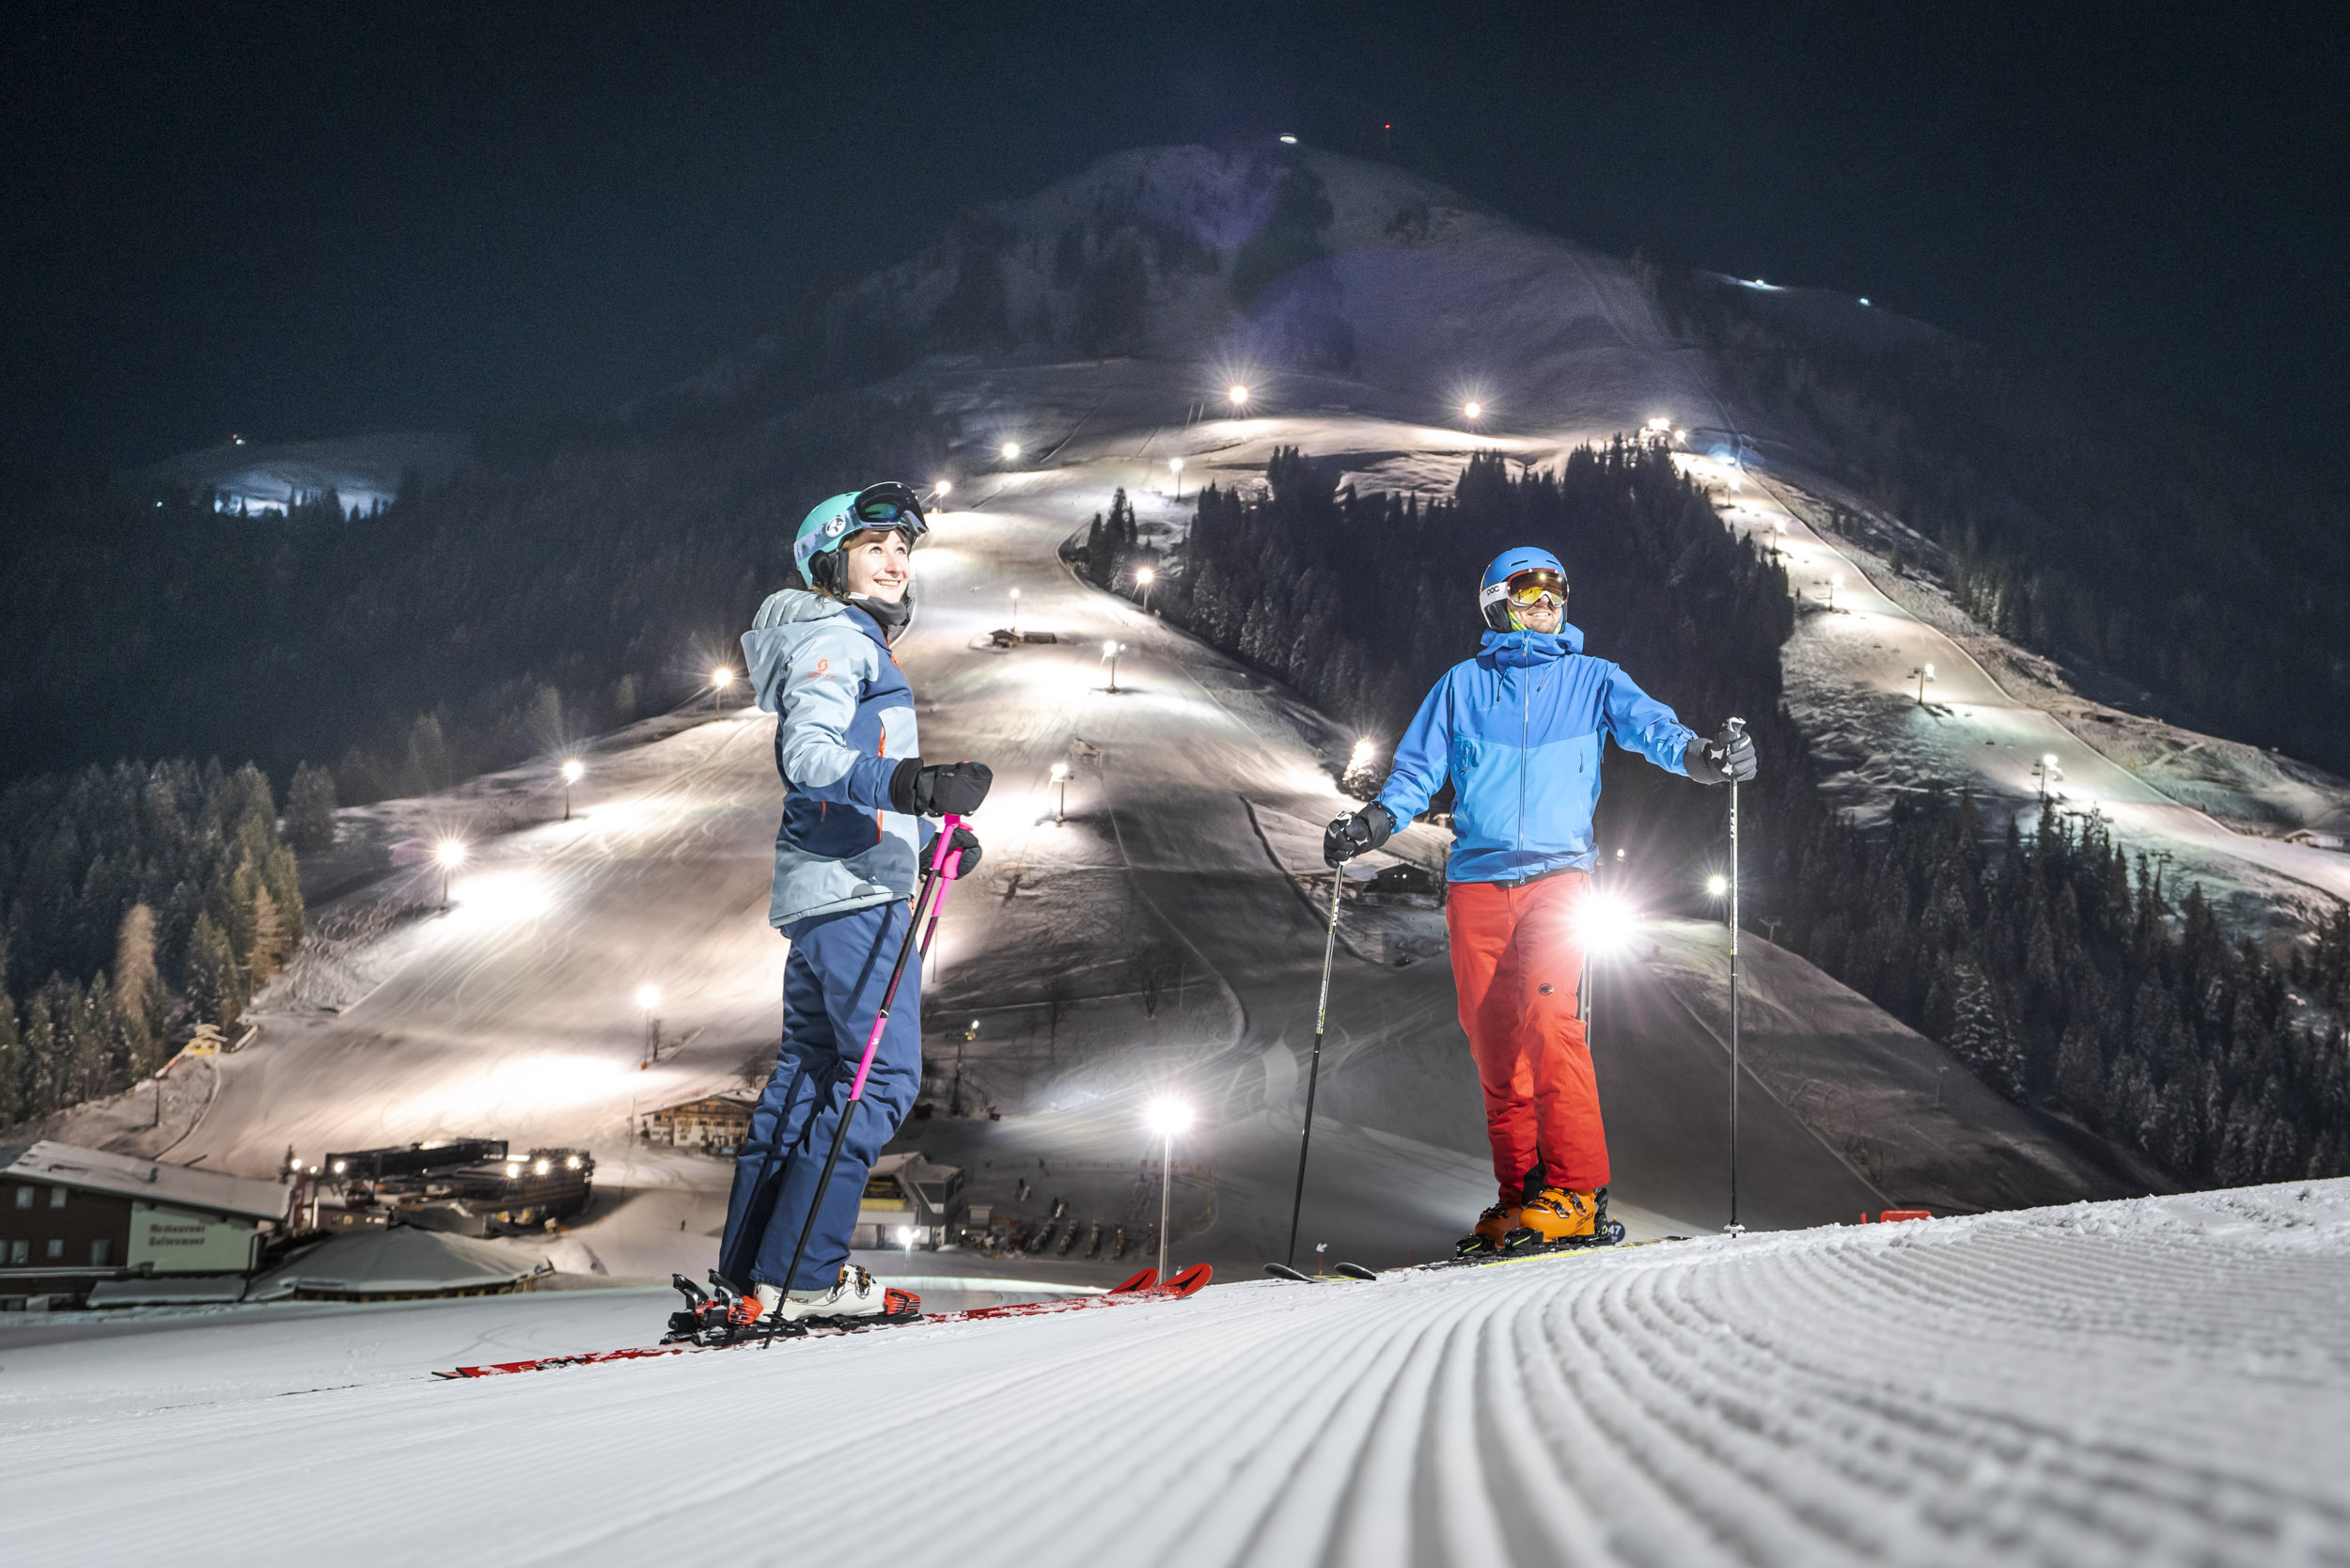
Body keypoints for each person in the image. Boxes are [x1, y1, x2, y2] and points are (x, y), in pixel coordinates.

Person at [1324, 546, 1755, 1251]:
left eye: (1556, 593)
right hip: (1477, 887)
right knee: (1496, 1049)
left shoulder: (1593, 679)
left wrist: (1704, 758)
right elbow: (1416, 771)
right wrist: (1374, 821)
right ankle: (1523, 1196)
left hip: (1559, 880)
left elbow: (1653, 729)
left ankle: (1579, 1193)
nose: (1547, 604)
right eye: (1529, 594)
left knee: (1552, 1023)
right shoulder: (1462, 686)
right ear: (1497, 603)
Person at [719, 482, 992, 1322]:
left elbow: (845, 774)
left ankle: (757, 1274)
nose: (896, 561)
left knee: (810, 1075)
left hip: (826, 889)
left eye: (903, 549)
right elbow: (809, 754)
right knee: (879, 1080)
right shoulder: (838, 636)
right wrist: (909, 785)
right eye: (875, 546)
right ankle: (807, 1276)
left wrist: (931, 837)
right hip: (854, 896)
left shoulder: (834, 637)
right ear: (830, 560)